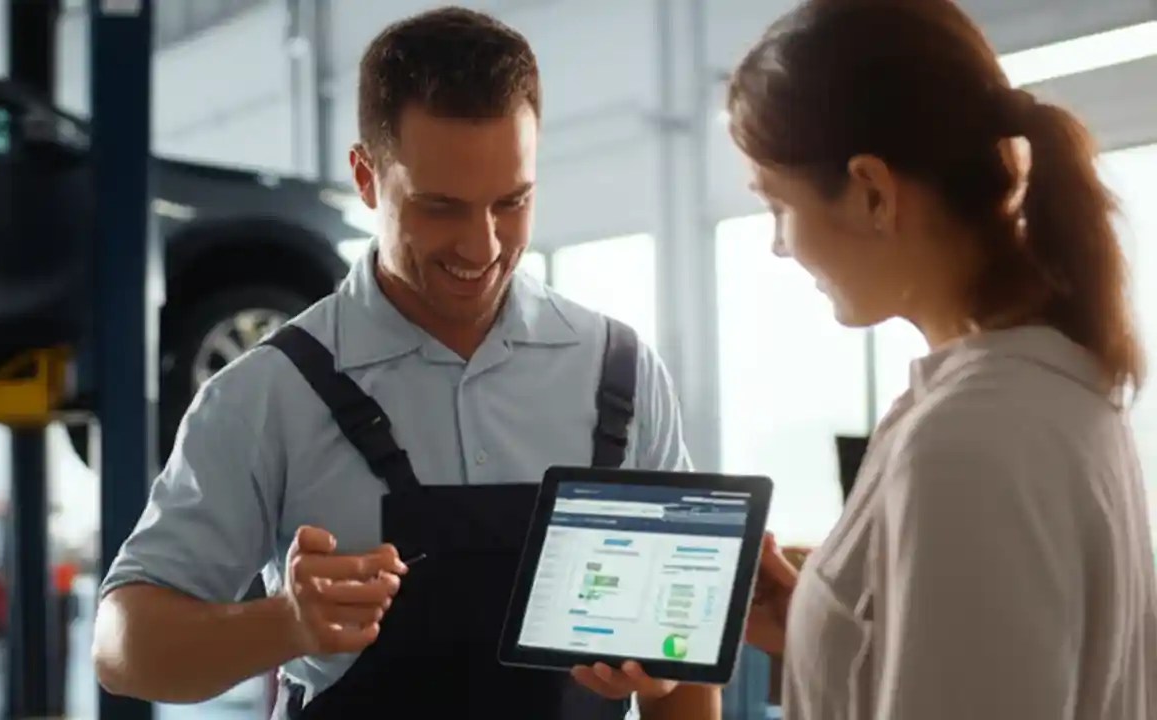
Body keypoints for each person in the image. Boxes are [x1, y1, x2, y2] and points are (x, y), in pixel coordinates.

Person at [91, 7, 719, 719]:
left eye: (511, 202)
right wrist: (283, 624)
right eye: (440, 207)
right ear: (366, 177)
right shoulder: (268, 393)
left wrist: (660, 675)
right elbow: (122, 649)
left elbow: (687, 659)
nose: (481, 247)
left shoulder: (622, 373)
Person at [728, 0, 1157, 718]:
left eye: (777, 205)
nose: (779, 244)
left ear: (871, 192)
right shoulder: (1056, 390)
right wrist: (826, 627)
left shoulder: (969, 439)